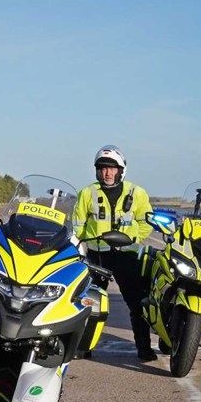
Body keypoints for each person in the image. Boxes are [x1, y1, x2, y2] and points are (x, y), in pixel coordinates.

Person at [72, 145, 156, 361]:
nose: (107, 173)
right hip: (97, 257)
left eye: (111, 168)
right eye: (102, 168)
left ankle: (144, 349)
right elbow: (78, 226)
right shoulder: (86, 193)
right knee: (88, 303)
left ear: (121, 170)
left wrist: (130, 238)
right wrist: (87, 243)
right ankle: (83, 347)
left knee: (137, 304)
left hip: (127, 256)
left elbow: (147, 223)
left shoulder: (137, 193)